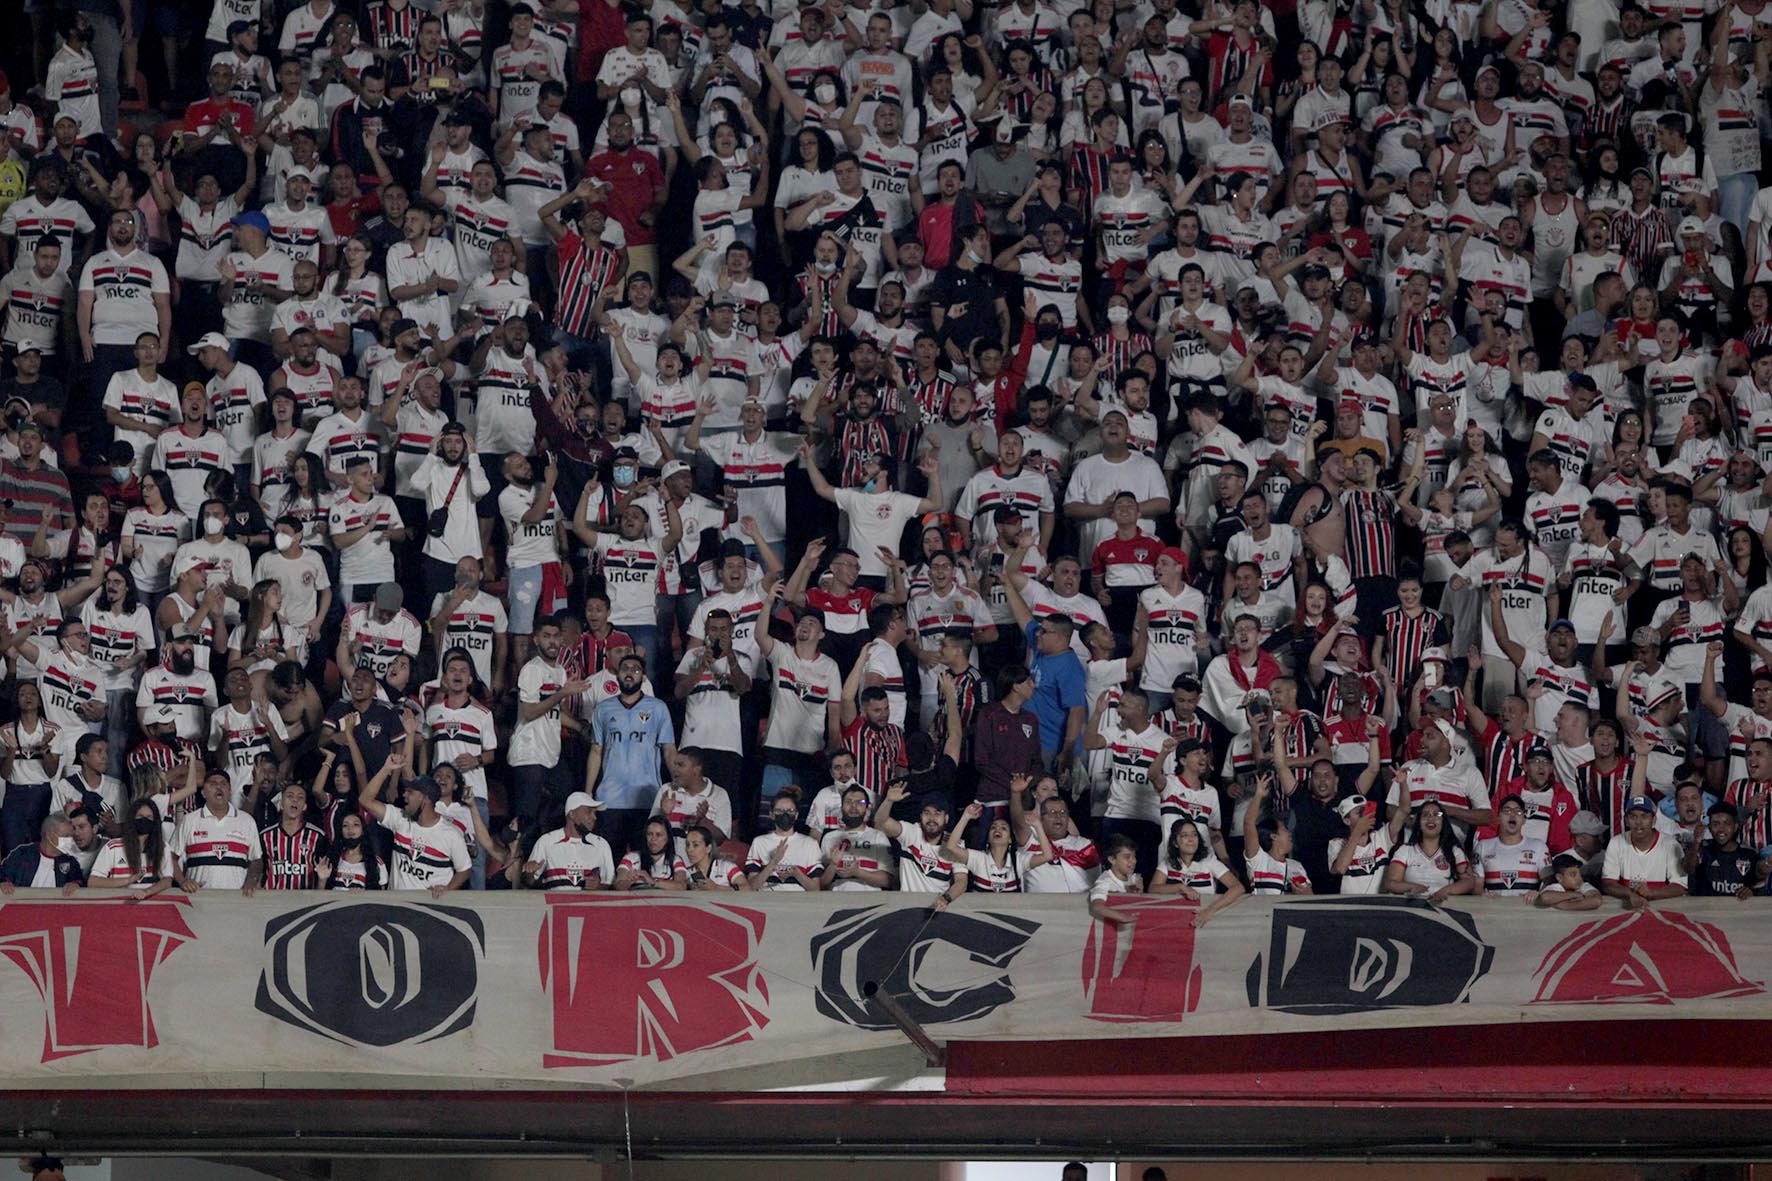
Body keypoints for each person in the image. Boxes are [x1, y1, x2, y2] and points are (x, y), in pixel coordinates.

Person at [356, 753, 471, 896]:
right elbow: (365, 800)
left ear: (425, 799)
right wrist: (386, 769)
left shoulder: (451, 834)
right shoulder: (400, 819)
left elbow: (464, 870)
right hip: (397, 907)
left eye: (410, 792)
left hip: (428, 911)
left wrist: (447, 889)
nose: (404, 795)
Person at [524, 792, 616, 891]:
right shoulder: (546, 841)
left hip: (588, 905)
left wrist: (598, 887)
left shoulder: (601, 844)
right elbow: (528, 882)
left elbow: (610, 885)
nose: (594, 817)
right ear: (572, 814)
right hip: (554, 905)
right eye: (588, 811)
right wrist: (529, 872)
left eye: (595, 812)